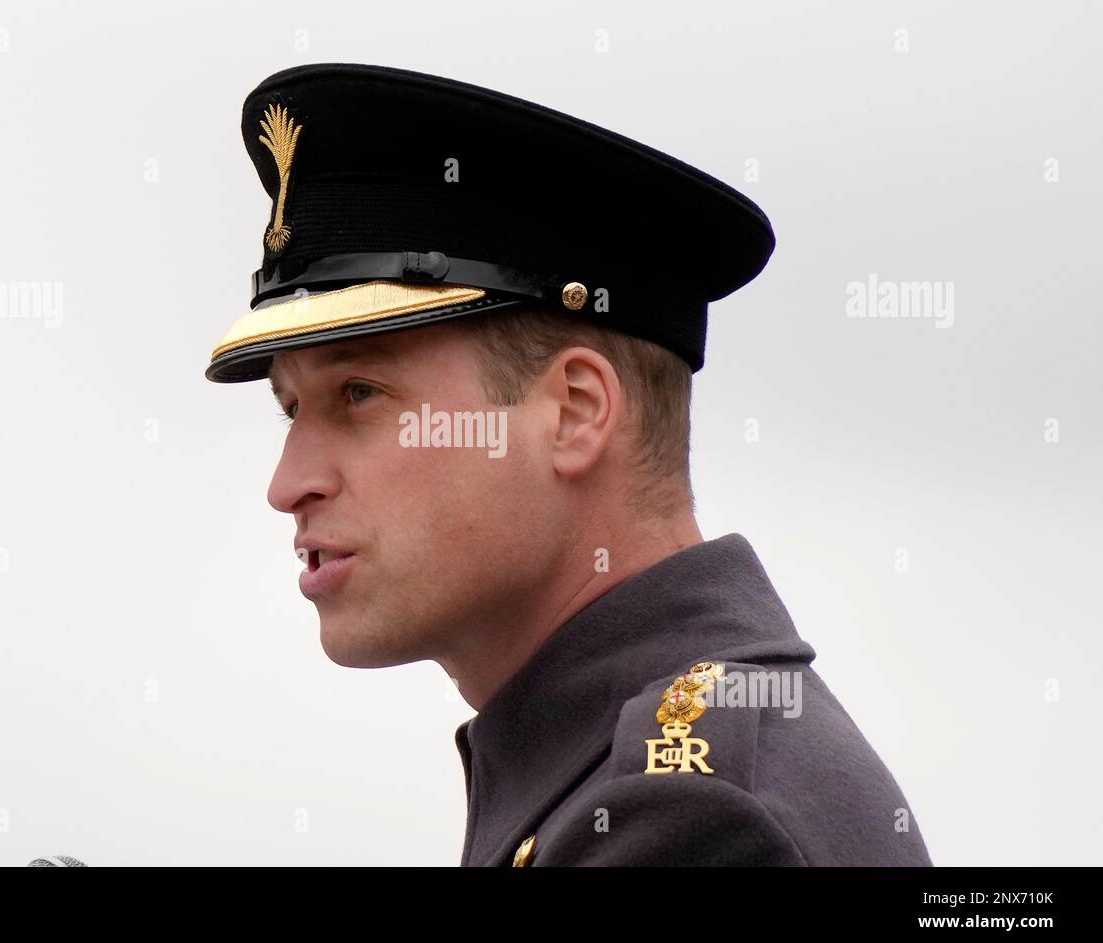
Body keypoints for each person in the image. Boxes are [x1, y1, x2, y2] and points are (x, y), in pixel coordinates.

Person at [206, 62, 932, 866]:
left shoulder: (692, 815)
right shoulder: (614, 777)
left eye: (361, 393)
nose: (288, 486)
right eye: (290, 408)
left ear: (576, 411)